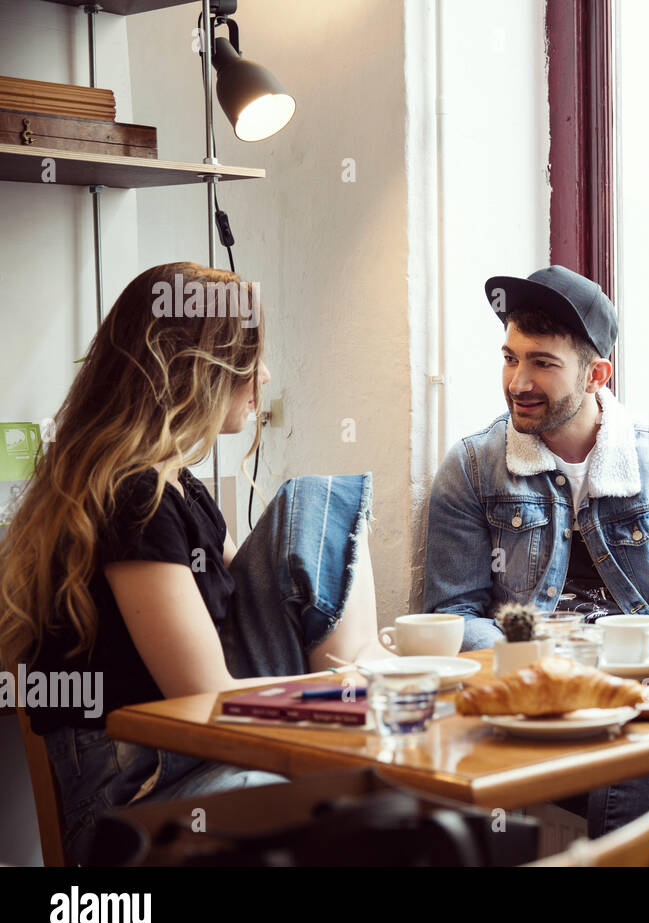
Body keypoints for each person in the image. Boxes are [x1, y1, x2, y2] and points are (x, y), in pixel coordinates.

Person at [0, 262, 383, 865]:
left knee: (313, 499)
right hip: (135, 786)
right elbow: (206, 695)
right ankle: (360, 686)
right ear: (197, 372)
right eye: (250, 358)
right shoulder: (133, 498)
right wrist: (335, 700)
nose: (265, 375)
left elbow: (258, 600)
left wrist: (347, 687)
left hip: (188, 749)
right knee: (350, 803)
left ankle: (365, 673)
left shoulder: (179, 486)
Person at [423, 264, 649, 836]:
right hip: (527, 690)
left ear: (595, 375)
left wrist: (608, 652)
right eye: (510, 358)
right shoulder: (471, 467)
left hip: (639, 686)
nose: (518, 382)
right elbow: (451, 615)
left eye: (543, 363)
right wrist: (545, 661)